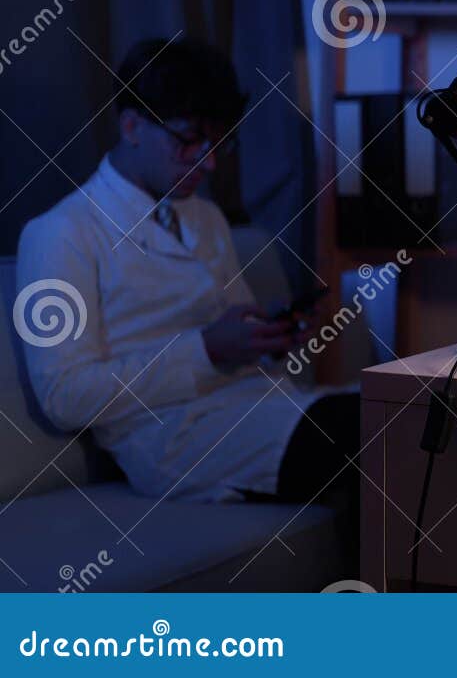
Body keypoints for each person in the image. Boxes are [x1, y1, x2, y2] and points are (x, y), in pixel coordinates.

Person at [15, 37, 358, 559]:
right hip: (171, 436)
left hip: (258, 402)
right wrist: (206, 349)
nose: (210, 162)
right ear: (131, 125)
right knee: (368, 431)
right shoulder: (60, 234)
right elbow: (65, 396)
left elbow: (232, 327)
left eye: (220, 143)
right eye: (189, 141)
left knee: (404, 416)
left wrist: (269, 337)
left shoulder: (203, 215)